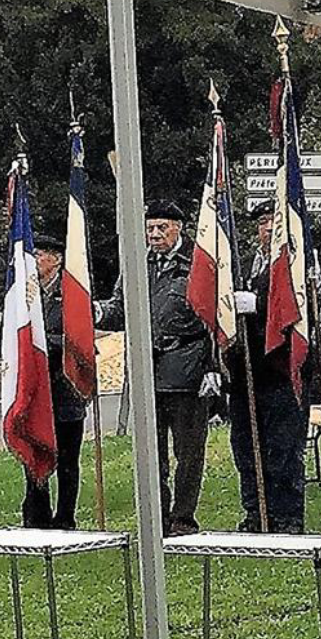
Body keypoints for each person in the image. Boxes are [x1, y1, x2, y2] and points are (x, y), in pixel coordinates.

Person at [96, 199, 221, 536]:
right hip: (147, 370)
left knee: (188, 452)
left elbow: (215, 318)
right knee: (152, 452)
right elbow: (120, 309)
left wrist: (213, 367)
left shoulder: (198, 263)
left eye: (161, 227)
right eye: (150, 228)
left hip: (187, 368)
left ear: (178, 228)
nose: (154, 234)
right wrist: (95, 314)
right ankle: (157, 516)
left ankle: (183, 517)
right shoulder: (138, 262)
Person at [228, 199, 308, 534]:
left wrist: (257, 304)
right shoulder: (243, 265)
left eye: (272, 222)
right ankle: (255, 512)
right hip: (245, 373)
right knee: (246, 447)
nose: (266, 229)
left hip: (280, 369)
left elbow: (293, 308)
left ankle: (287, 516)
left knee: (283, 448)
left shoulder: (295, 264)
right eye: (261, 223)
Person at [18, 236, 87, 529]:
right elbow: (7, 337)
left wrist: (43, 344)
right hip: (35, 394)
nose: (35, 260)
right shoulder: (23, 295)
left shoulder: (72, 292)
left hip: (65, 389)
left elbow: (78, 338)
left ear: (57, 259)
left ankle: (66, 517)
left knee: (68, 460)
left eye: (41, 254)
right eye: (32, 254)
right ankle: (37, 514)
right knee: (35, 455)